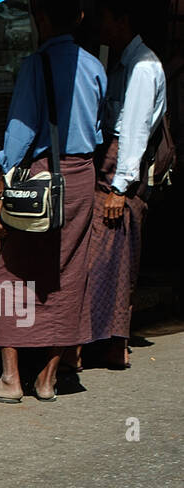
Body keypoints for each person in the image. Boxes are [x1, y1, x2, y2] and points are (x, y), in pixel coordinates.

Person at [0, 0, 106, 403]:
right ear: (81, 17)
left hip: (42, 178)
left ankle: (11, 379)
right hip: (83, 176)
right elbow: (100, 128)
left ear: (42, 19)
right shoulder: (95, 66)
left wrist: (1, 190)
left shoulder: (36, 64)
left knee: (9, 274)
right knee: (69, 275)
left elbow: (19, 131)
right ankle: (47, 378)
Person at [85, 1, 167, 370]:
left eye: (103, 15)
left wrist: (119, 188)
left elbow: (133, 129)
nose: (96, 23)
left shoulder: (143, 67)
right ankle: (109, 341)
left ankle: (114, 342)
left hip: (121, 173)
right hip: (112, 167)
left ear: (121, 19)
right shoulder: (119, 61)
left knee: (114, 252)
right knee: (110, 254)